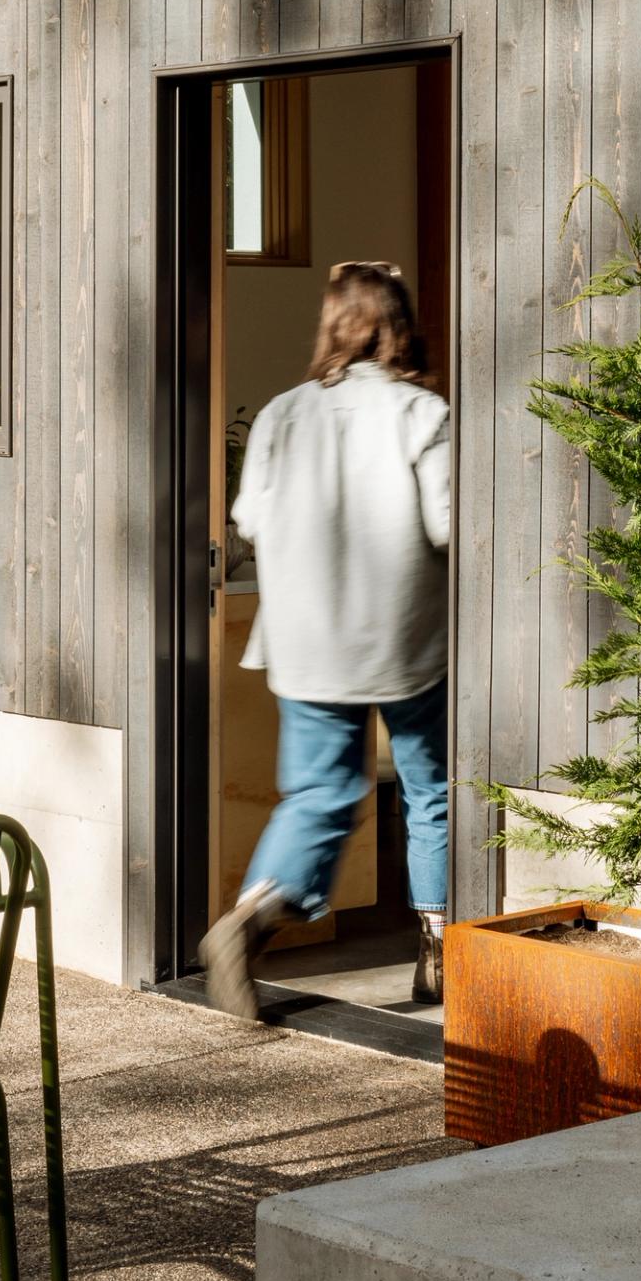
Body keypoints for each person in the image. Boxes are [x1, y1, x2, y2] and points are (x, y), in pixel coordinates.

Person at [201, 260, 451, 1019]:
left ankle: (253, 916)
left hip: (308, 642)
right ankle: (440, 959)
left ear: (333, 326)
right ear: (399, 327)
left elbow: (247, 517)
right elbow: (449, 523)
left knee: (319, 793)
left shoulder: (282, 413)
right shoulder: (421, 413)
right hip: (407, 643)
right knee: (431, 793)